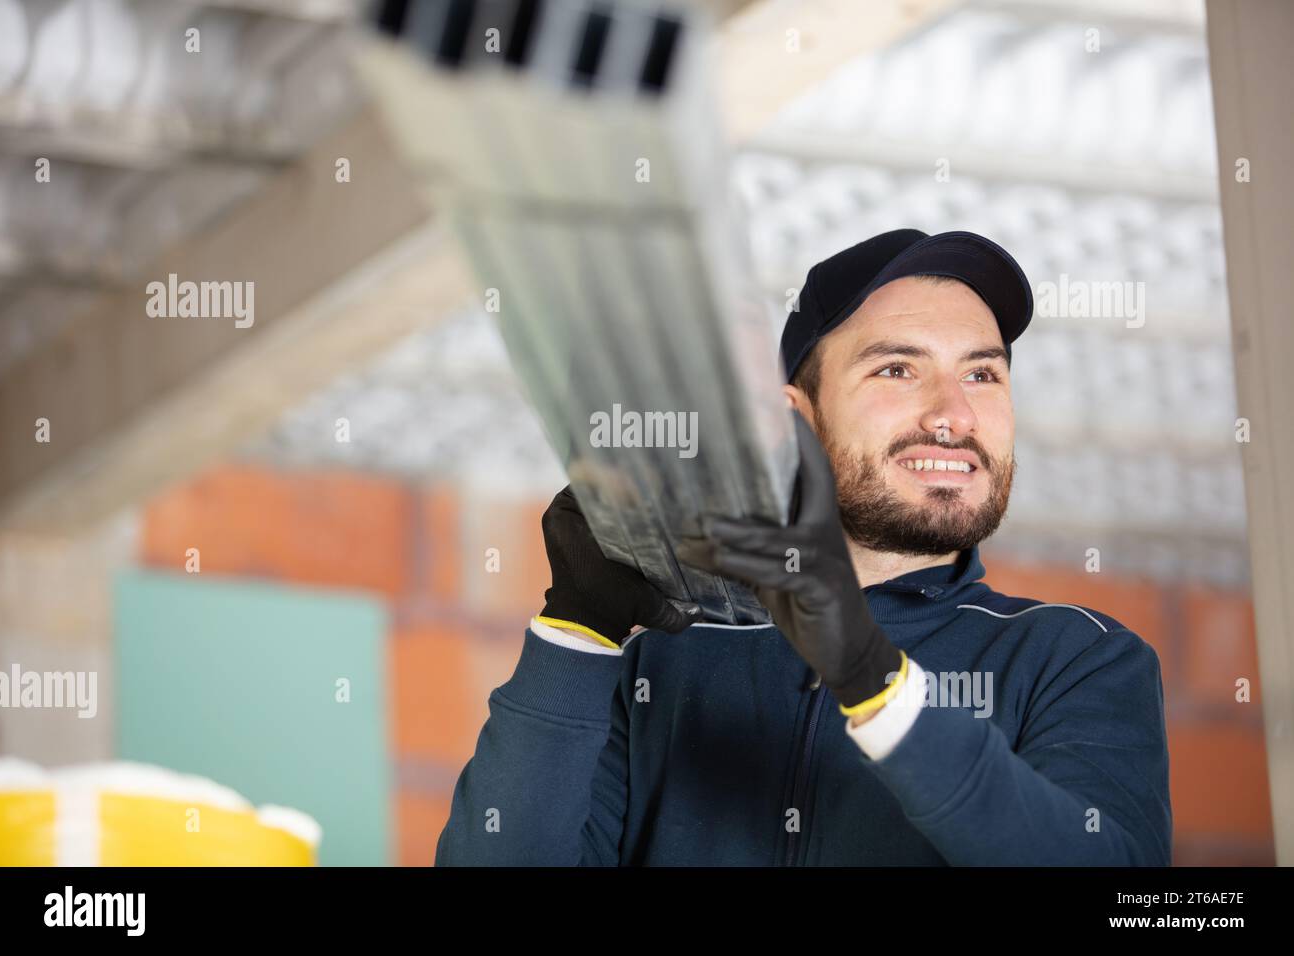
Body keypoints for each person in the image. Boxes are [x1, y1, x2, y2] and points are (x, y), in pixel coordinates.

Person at [435, 229, 1172, 865]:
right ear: (797, 416)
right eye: (897, 368)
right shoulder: (662, 662)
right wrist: (576, 634)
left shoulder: (1076, 660)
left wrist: (871, 674)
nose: (954, 414)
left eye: (983, 373)